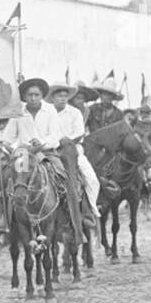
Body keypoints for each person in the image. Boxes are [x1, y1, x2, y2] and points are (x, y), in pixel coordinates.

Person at [0, 78, 84, 244]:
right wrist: (19, 145)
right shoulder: (18, 112)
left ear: (42, 96)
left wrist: (42, 142)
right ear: (24, 96)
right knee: (6, 177)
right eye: (29, 94)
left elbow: (56, 136)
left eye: (36, 94)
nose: (33, 98)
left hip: (46, 152)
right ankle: (3, 221)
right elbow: (8, 139)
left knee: (63, 177)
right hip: (23, 155)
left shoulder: (50, 111)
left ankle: (67, 220)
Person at [48, 82, 101, 233]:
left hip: (73, 150)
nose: (63, 99)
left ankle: (90, 210)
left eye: (65, 96)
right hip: (51, 150)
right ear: (53, 98)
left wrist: (65, 140)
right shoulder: (47, 113)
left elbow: (79, 133)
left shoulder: (74, 113)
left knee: (91, 179)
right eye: (59, 96)